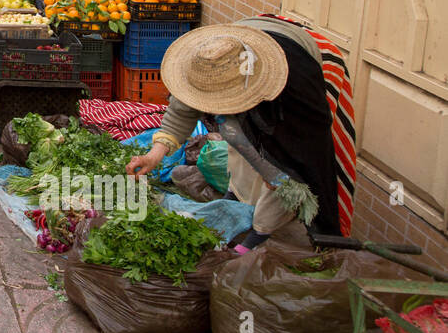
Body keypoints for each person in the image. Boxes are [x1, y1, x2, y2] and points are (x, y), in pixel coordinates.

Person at [126, 17, 357, 248]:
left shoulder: (294, 90)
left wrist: (276, 174)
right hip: (254, 38)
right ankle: (232, 202)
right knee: (236, 137)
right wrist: (153, 156)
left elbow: (310, 156)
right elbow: (180, 114)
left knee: (287, 167)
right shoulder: (207, 64)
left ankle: (317, 243)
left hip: (305, 60)